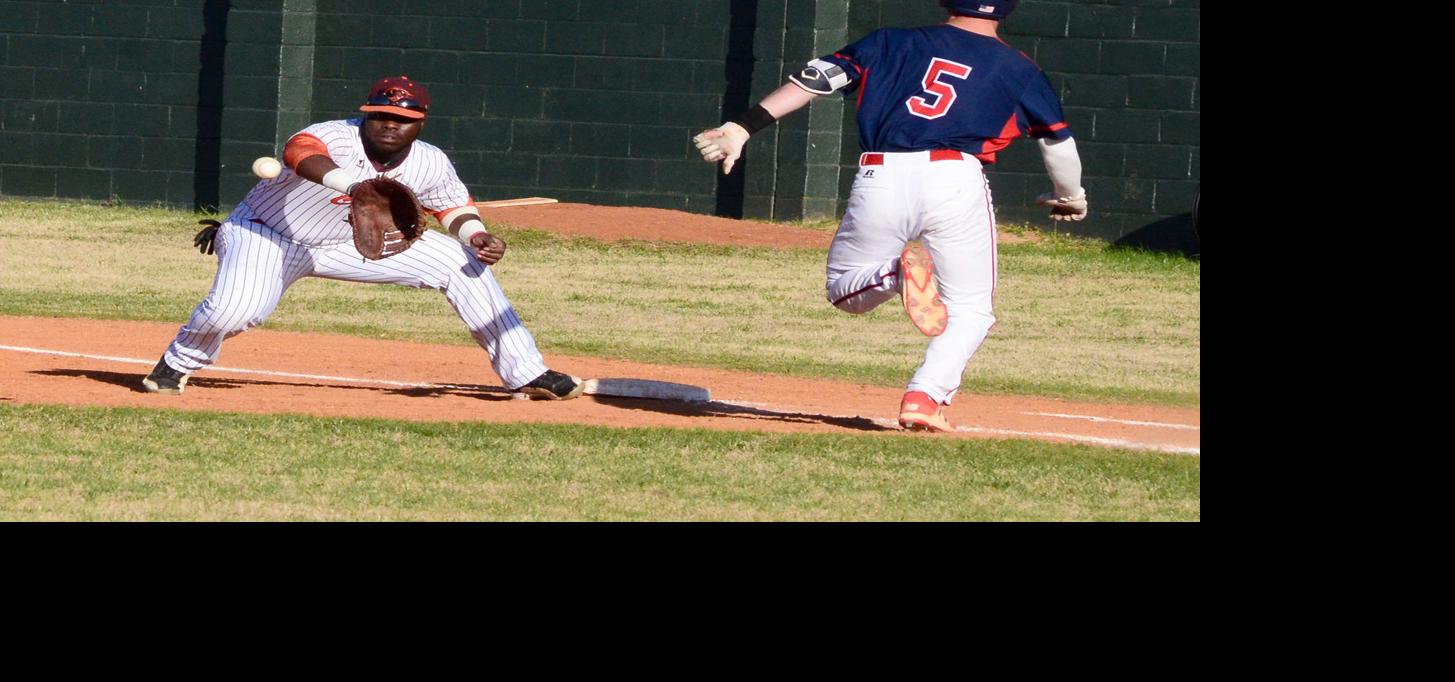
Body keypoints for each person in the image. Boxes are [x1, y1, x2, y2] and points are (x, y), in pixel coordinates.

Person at [693, 0, 1088, 433]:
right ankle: (925, 396)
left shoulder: (890, 41)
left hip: (881, 174)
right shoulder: (1020, 68)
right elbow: (1057, 142)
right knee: (970, 308)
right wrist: (1069, 195)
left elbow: (815, 80)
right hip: (955, 177)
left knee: (844, 291)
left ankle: (894, 276)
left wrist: (742, 127)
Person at [143, 75, 584, 401]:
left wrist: (477, 234)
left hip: (344, 243)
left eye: (403, 118)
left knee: (459, 262)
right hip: (266, 233)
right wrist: (355, 187)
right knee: (235, 311)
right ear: (367, 114)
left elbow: (453, 206)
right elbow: (300, 152)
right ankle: (177, 364)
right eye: (382, 115)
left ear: (421, 122)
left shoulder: (430, 161)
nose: (391, 124)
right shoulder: (334, 135)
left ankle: (527, 373)